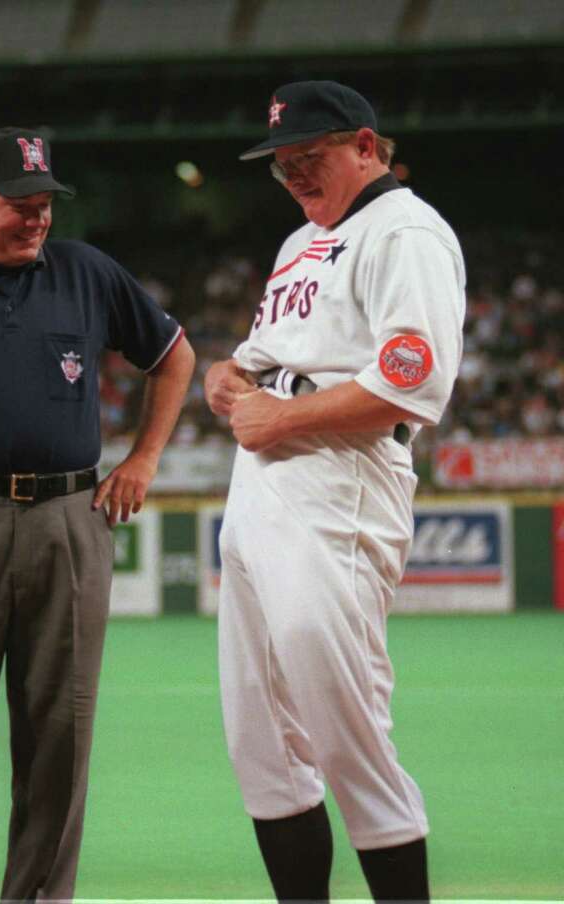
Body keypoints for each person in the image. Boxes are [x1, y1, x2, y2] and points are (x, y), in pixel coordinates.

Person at [0, 127, 194, 901]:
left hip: (68, 516)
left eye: (46, 203)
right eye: (20, 205)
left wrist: (145, 457)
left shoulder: (84, 272)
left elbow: (175, 355)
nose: (38, 219)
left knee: (60, 740)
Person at [204, 80, 465, 903]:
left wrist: (281, 419)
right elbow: (264, 352)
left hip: (340, 473)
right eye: (282, 167)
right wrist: (227, 374)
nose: (295, 178)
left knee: (345, 730)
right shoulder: (299, 243)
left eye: (308, 159)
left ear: (363, 144)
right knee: (262, 737)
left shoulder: (406, 230)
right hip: (263, 486)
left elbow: (409, 379)